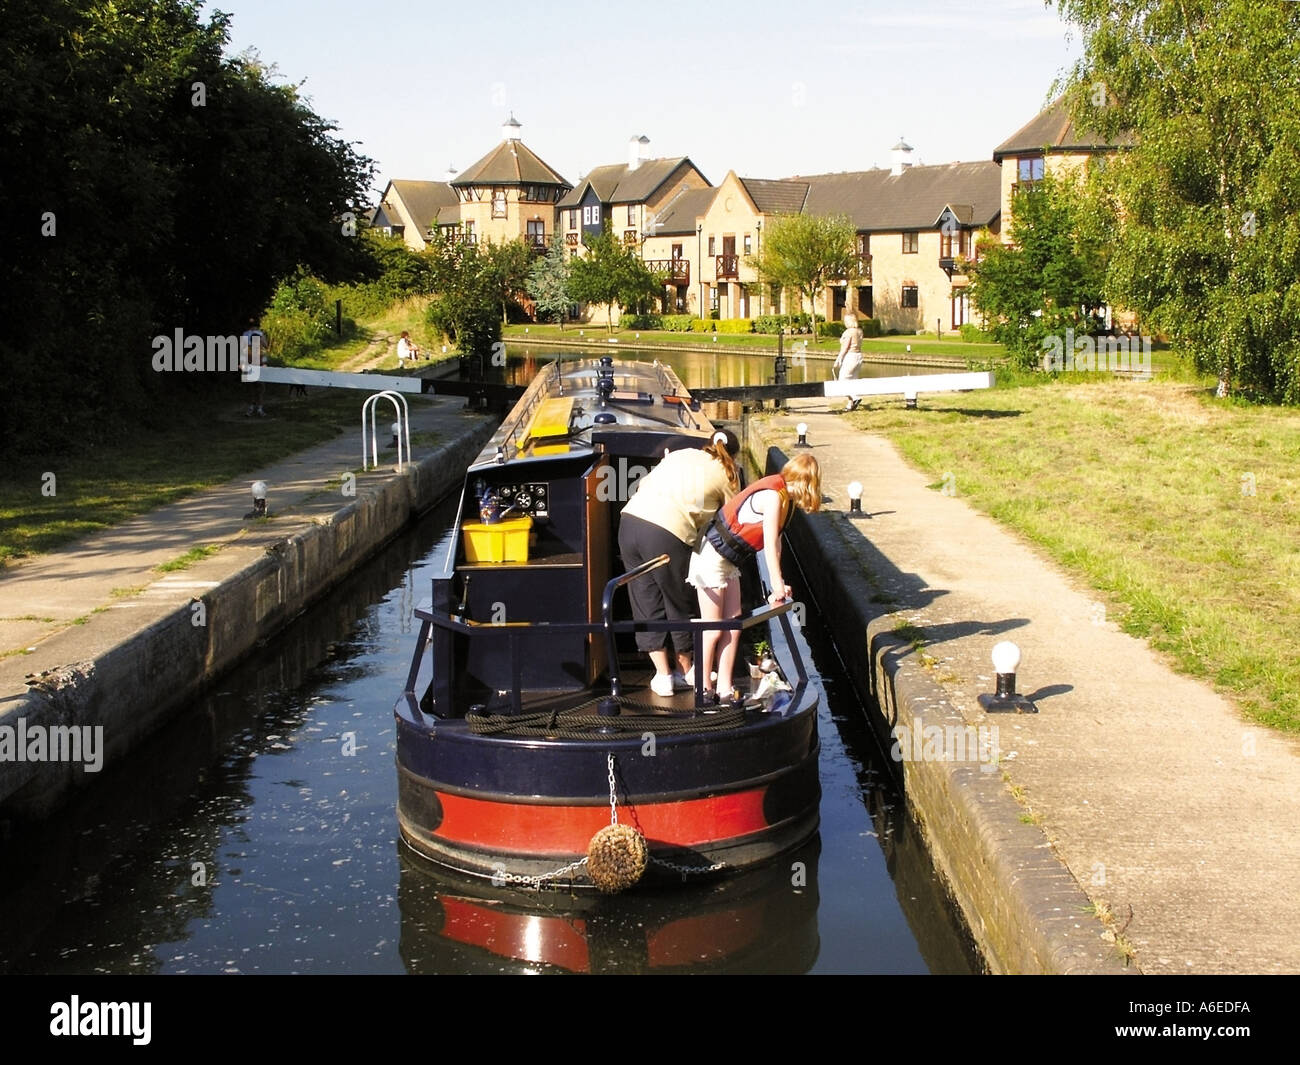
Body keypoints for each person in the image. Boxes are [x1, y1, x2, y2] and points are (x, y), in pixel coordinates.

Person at [688, 452, 822, 705]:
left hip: (729, 561)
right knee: (713, 628)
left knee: (733, 626)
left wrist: (779, 582)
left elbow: (778, 543)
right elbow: (769, 544)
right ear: (806, 483)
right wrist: (776, 584)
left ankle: (724, 687)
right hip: (710, 557)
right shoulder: (772, 496)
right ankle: (703, 687)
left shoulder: (785, 500)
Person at [618, 430, 740, 697]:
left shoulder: (682, 454)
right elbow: (733, 523)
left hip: (629, 522)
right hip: (667, 533)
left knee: (644, 599)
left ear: (708, 444)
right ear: (734, 455)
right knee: (678, 600)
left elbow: (642, 485)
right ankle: (688, 671)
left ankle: (663, 677)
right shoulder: (728, 475)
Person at [832, 312, 864, 411]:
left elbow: (845, 347)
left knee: (842, 381)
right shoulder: (859, 331)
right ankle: (850, 404)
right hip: (858, 356)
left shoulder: (848, 332)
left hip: (850, 357)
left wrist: (838, 359)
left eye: (846, 321)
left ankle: (855, 397)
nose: (844, 323)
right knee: (852, 380)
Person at [241, 319, 269, 417]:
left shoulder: (245, 334)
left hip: (248, 361)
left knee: (250, 387)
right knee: (260, 387)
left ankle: (250, 408)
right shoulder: (260, 333)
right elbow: (266, 346)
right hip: (258, 361)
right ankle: (260, 408)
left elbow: (242, 350)